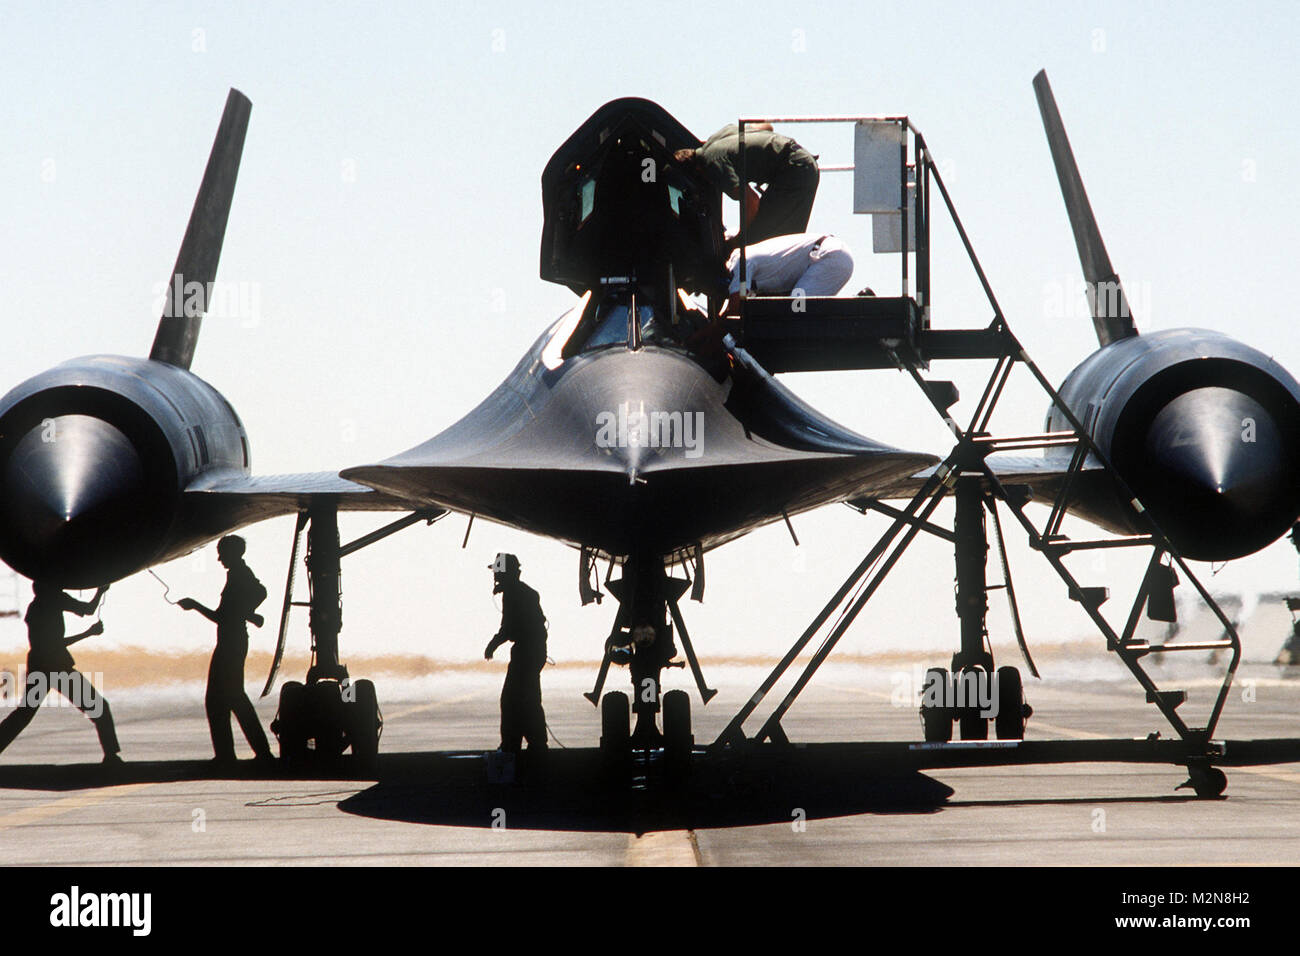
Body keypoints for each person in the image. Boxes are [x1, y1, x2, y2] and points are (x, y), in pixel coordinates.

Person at [0, 582, 121, 764]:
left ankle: (111, 755)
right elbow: (83, 614)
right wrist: (88, 632)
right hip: (56, 667)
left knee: (23, 714)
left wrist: (100, 592)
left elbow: (86, 610)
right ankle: (111, 755)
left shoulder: (37, 606)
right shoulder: (54, 600)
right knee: (99, 707)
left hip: (39, 666)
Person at [178, 535, 273, 765]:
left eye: (222, 553)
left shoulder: (240, 575)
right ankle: (250, 752)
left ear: (233, 553)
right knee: (231, 697)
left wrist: (194, 605)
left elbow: (222, 616)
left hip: (231, 643)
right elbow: (258, 593)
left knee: (221, 699)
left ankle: (232, 755)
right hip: (234, 640)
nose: (219, 558)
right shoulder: (239, 574)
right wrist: (247, 612)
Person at [674, 122, 820, 247]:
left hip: (794, 171)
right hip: (801, 161)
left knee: (764, 239)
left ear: (697, 171)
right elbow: (767, 126)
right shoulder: (717, 138)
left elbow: (751, 201)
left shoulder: (712, 164)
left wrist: (738, 241)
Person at [484, 553, 548, 753]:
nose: (495, 576)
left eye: (497, 572)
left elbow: (509, 627)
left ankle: (515, 744)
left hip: (527, 653)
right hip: (532, 651)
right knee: (526, 697)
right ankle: (534, 743)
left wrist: (493, 644)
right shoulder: (523, 592)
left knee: (513, 699)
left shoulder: (514, 594)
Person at [725, 232, 855, 304]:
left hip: (830, 256)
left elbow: (737, 304)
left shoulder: (739, 260)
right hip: (832, 255)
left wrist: (712, 333)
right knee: (796, 310)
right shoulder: (749, 260)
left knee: (796, 311)